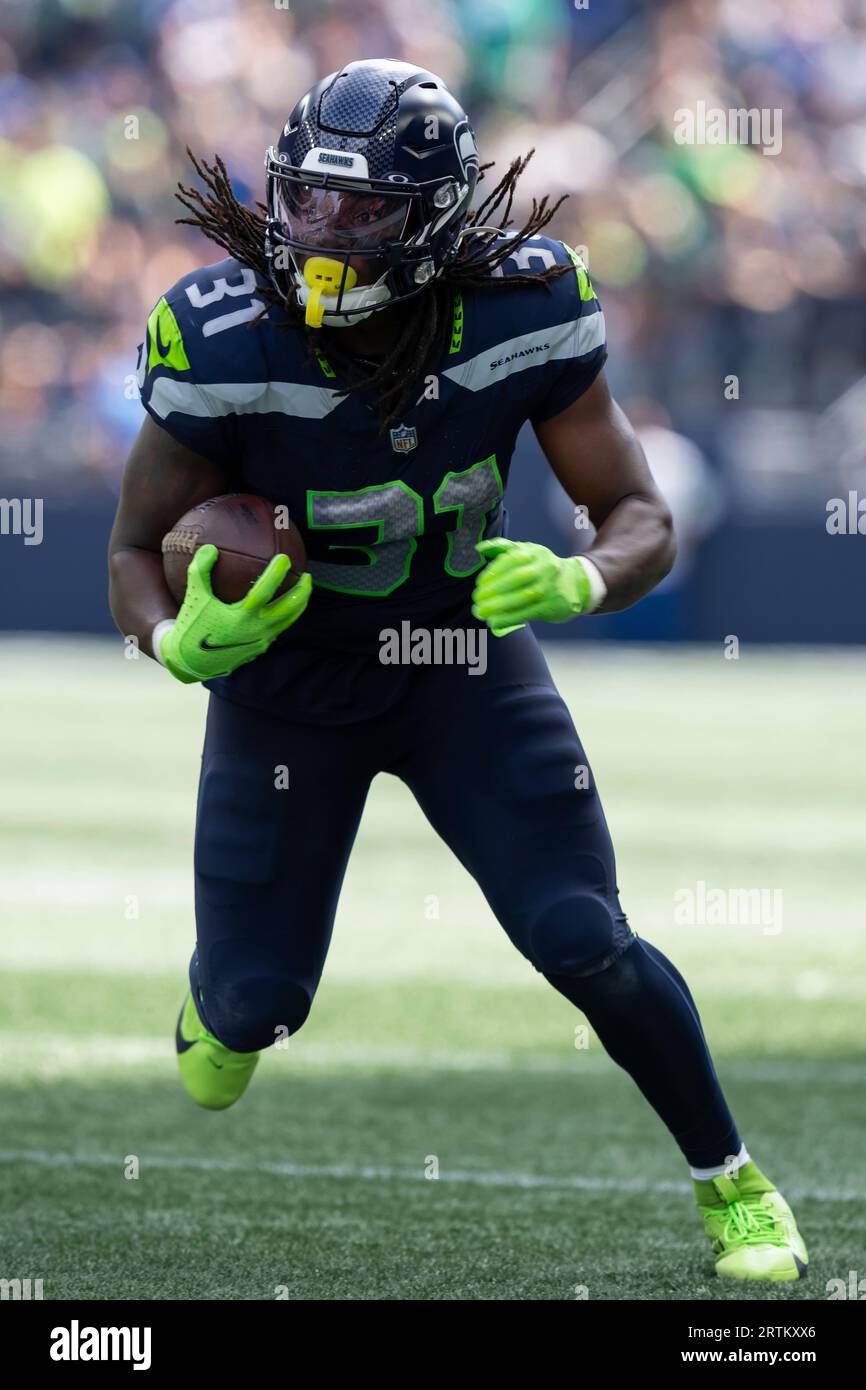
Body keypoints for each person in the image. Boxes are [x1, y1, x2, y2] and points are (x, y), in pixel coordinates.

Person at [108, 59, 807, 1283]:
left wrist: (580, 578)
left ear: (433, 218)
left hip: (454, 658)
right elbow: (130, 552)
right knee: (252, 1013)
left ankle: (731, 1183)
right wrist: (172, 638)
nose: (321, 233)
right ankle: (218, 1000)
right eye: (305, 199)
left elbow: (636, 512)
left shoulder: (526, 304)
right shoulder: (217, 333)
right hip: (285, 684)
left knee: (583, 935)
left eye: (363, 208)